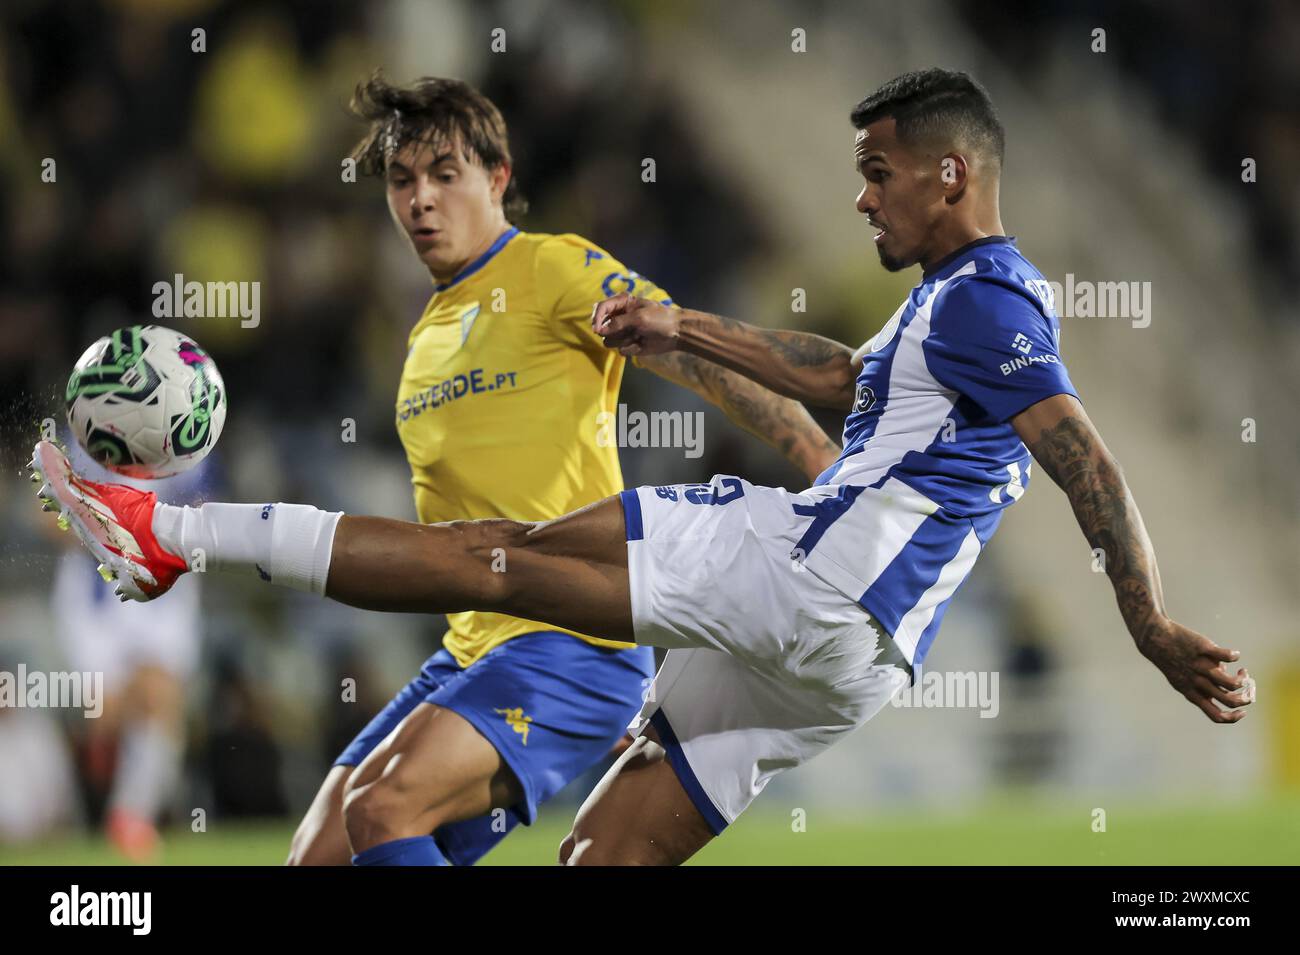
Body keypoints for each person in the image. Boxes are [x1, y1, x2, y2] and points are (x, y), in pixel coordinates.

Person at [31, 68, 1254, 867]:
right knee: (576, 857)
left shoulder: (981, 299)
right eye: (397, 179)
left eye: (878, 173)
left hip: (764, 588)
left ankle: (167, 533)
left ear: (950, 174)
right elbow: (834, 379)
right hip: (854, 653)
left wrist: (1145, 621)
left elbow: (1083, 454)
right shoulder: (938, 309)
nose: (862, 197)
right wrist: (718, 352)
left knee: (484, 573)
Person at [293, 74, 838, 866]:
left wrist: (819, 459)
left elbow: (693, 353)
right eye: (402, 181)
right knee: (317, 857)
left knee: (385, 807)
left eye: (445, 175)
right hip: (473, 649)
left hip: (573, 636)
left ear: (498, 178)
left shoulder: (552, 269)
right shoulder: (421, 339)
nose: (420, 200)